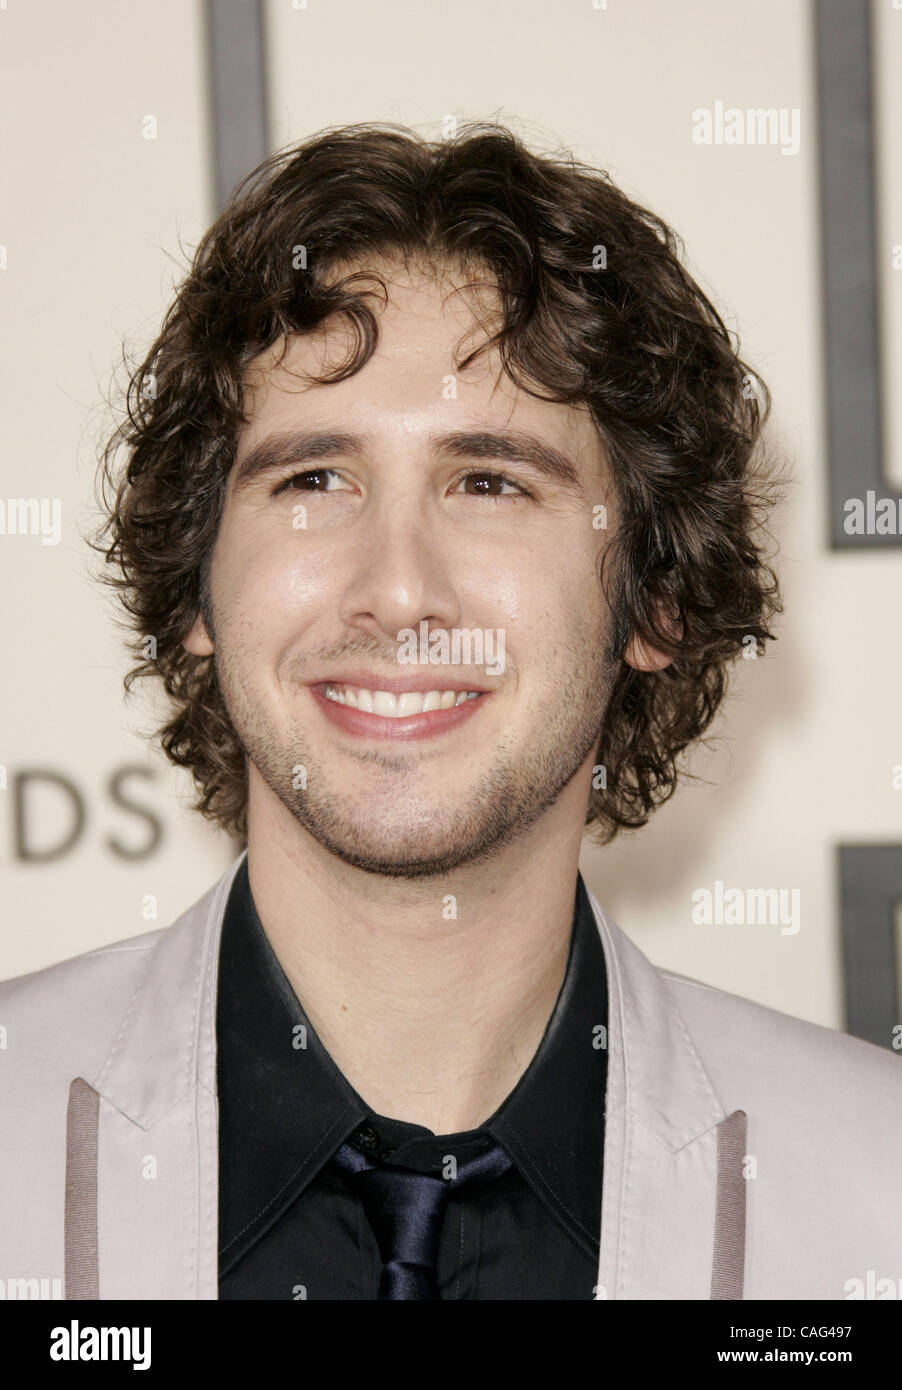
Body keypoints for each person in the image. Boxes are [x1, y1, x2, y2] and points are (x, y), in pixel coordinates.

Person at [2, 121, 900, 1302]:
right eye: (314, 479)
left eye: (489, 482)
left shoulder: (870, 1190)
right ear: (198, 584)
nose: (398, 589)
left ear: (653, 599)